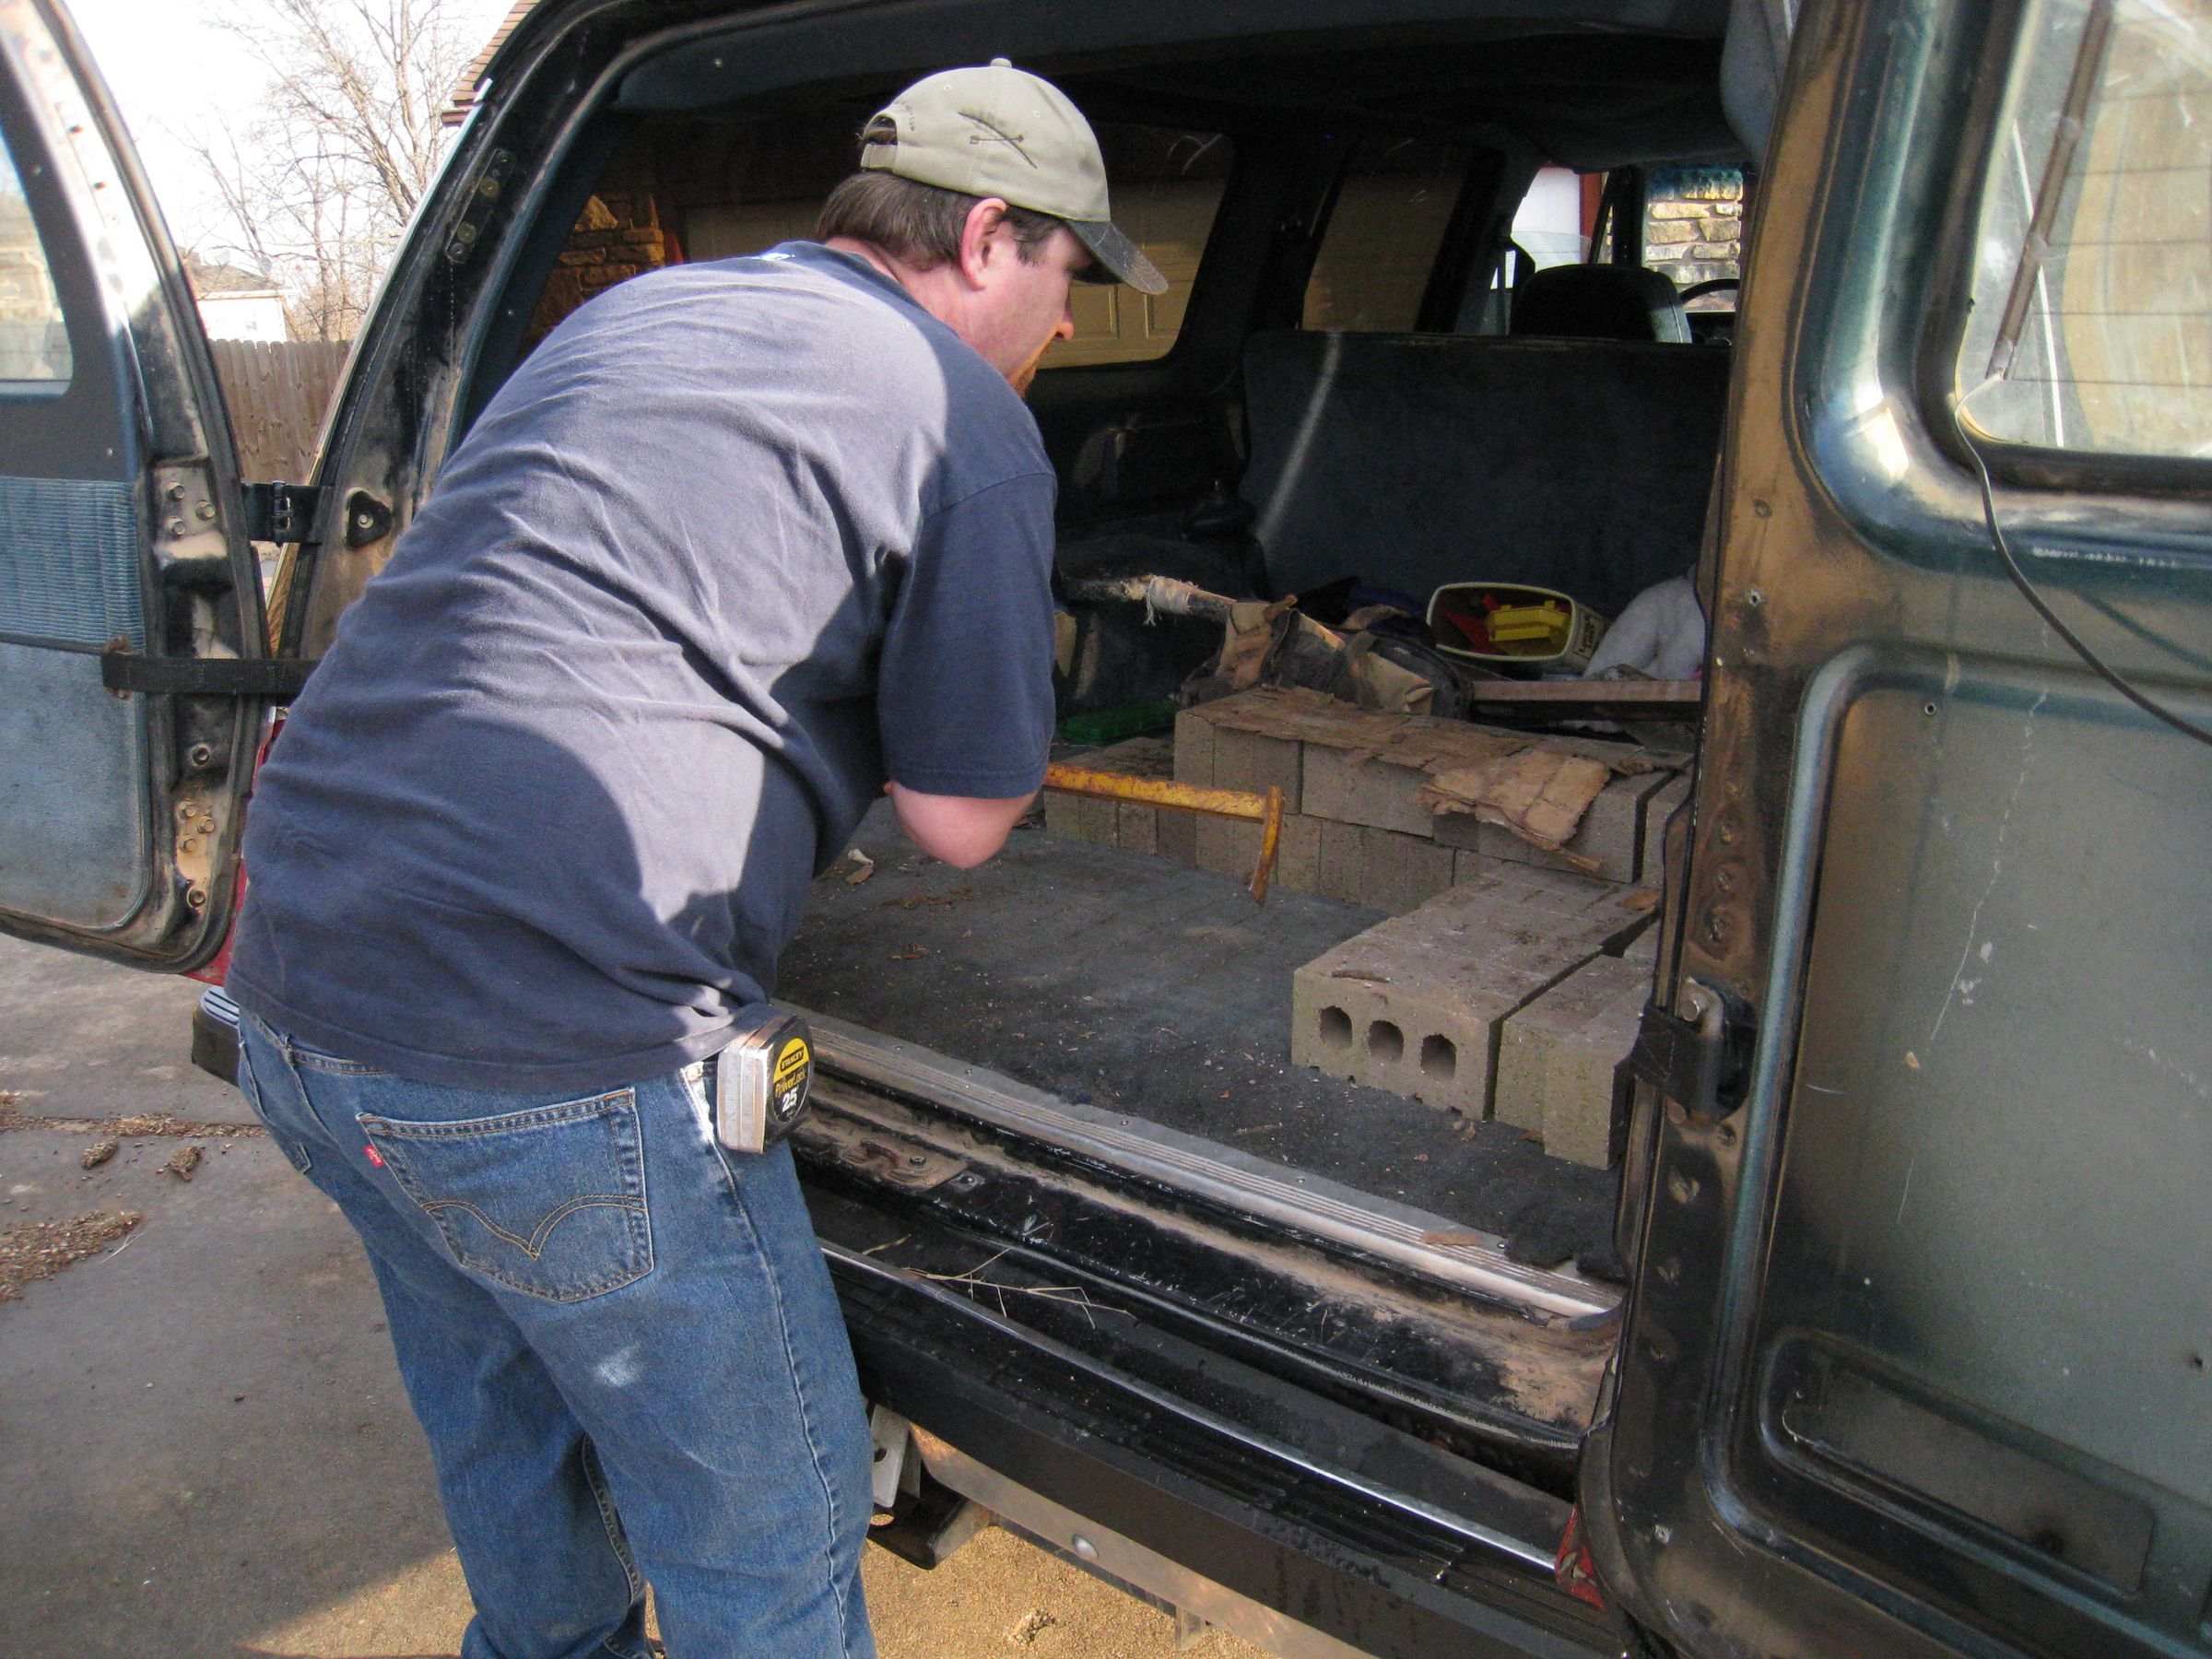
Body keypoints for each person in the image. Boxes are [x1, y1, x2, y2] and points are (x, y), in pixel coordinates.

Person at [221, 61, 1165, 1659]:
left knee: (507, 1424)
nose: (1070, 323)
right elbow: (960, 820)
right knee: (766, 1533)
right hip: (551, 1062)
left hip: (297, 989)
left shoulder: (637, 315)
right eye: (1071, 274)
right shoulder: (965, 420)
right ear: (987, 234)